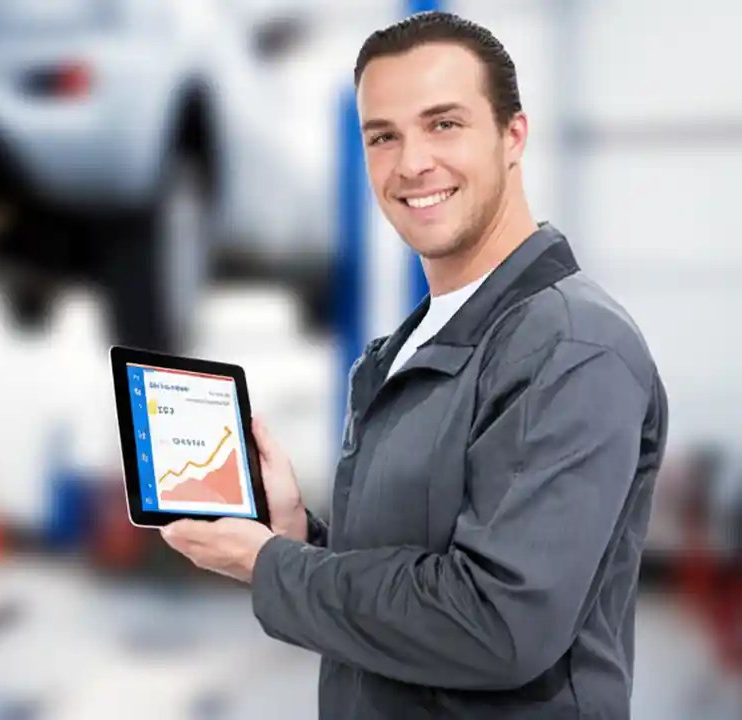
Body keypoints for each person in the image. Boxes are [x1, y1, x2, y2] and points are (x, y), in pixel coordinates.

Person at [158, 11, 669, 719]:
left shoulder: (572, 343)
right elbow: (406, 574)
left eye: (444, 124)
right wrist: (295, 537)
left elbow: (495, 623)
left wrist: (268, 564)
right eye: (383, 136)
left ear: (513, 136)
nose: (411, 163)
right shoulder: (410, 347)